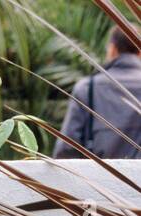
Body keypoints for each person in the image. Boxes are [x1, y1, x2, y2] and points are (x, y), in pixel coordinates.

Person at [54, 28, 141, 159]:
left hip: (95, 178)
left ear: (112, 49)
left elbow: (66, 149)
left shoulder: (87, 88)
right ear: (139, 52)